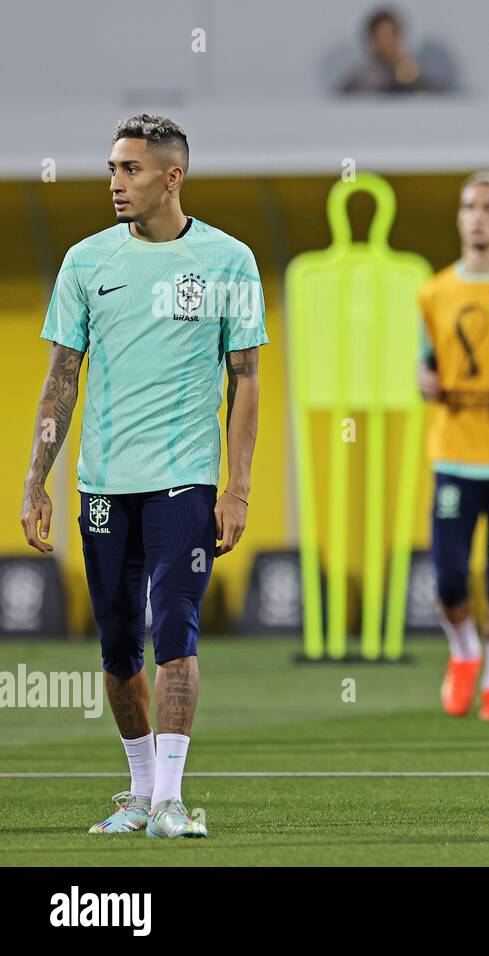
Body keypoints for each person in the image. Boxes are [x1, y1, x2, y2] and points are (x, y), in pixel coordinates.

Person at [20, 115, 268, 838]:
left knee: (176, 630)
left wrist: (238, 485)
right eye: (111, 168)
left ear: (172, 175)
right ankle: (136, 792)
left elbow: (245, 378)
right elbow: (61, 377)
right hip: (101, 483)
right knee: (117, 642)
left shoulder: (229, 261)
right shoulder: (84, 262)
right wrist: (37, 479)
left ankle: (169, 800)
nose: (115, 183)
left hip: (184, 480)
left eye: (130, 169)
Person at [418, 171, 489, 721]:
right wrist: (423, 379)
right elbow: (426, 359)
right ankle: (463, 651)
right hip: (455, 455)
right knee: (446, 576)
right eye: (470, 206)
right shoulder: (434, 290)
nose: (478, 216)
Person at [338, 7, 457, 95]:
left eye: (392, 34)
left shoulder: (415, 66)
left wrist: (416, 81)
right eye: (382, 36)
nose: (388, 42)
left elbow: (438, 92)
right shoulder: (361, 75)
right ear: (372, 39)